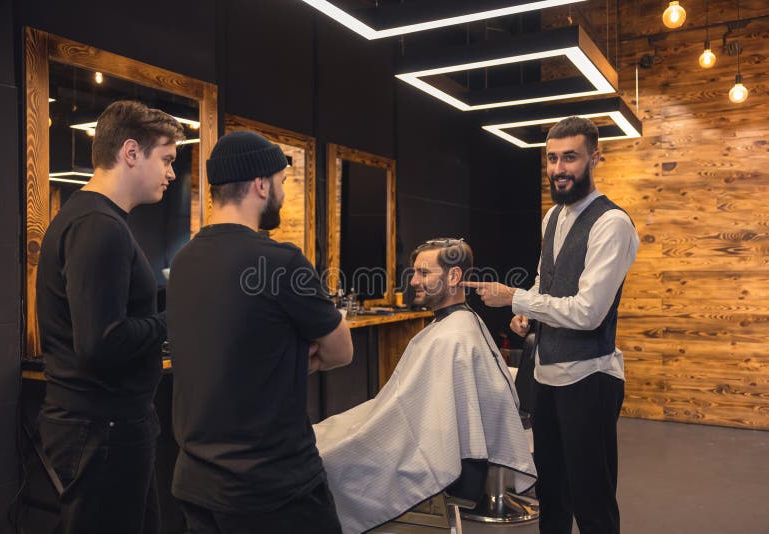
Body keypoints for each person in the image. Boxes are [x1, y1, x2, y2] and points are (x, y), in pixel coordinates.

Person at [167, 130, 353, 533]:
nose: (284, 195)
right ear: (260, 184)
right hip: (271, 488)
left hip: (197, 482)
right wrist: (298, 359)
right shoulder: (281, 260)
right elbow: (342, 350)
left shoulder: (183, 261)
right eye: (283, 183)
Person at [462, 116, 639, 534]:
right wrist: (528, 313)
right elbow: (548, 281)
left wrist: (515, 298)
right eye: (552, 159)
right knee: (552, 496)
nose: (559, 169)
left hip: (590, 379)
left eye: (571, 158)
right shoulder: (552, 219)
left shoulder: (612, 224)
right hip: (546, 376)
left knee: (592, 501)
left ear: (595, 157)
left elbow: (588, 312)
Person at [313, 238, 535, 534]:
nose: (414, 281)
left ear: (454, 276)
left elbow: (418, 421)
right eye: (414, 272)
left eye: (424, 273)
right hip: (409, 428)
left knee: (325, 454)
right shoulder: (456, 327)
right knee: (327, 435)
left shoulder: (453, 337)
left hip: (420, 445)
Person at [36, 100, 185, 533]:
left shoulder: (99, 221)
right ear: (132, 152)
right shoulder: (97, 227)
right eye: (167, 159)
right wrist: (173, 319)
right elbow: (101, 342)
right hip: (102, 430)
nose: (171, 174)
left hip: (111, 424)